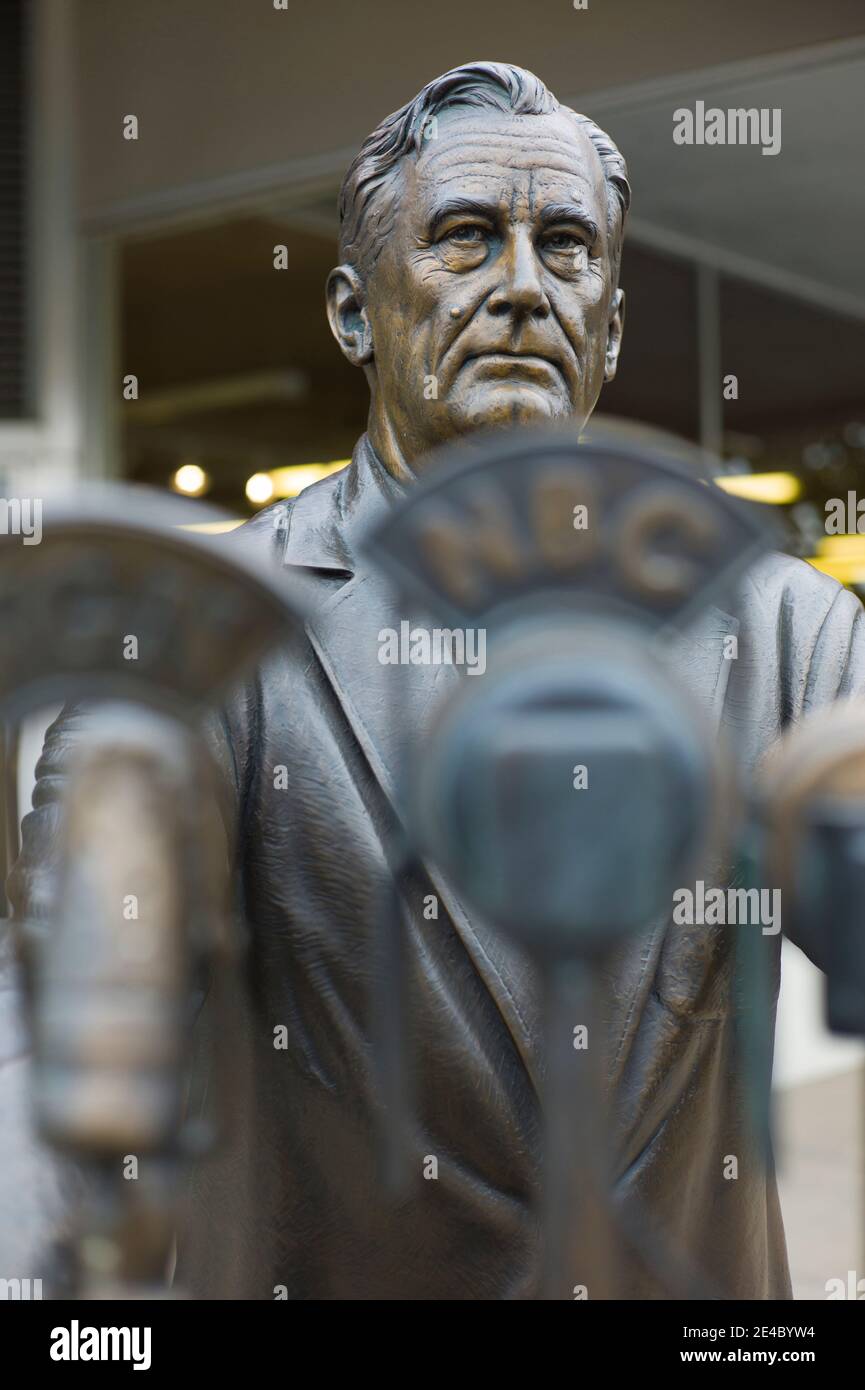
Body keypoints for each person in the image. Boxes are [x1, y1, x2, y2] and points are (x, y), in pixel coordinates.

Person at [5, 61, 865, 1299]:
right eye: (465, 239)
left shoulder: (785, 633)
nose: (521, 286)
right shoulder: (201, 639)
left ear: (610, 332)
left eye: (564, 247)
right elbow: (57, 1019)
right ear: (356, 315)